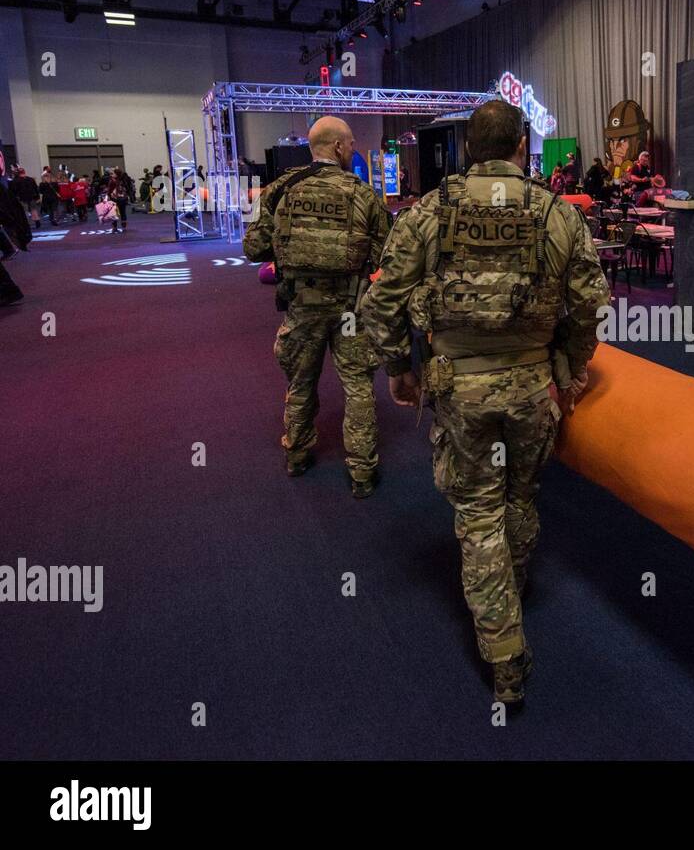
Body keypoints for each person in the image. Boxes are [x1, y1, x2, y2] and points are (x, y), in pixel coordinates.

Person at [360, 100, 608, 705]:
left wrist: (400, 370)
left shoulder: (429, 212)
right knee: (520, 495)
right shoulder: (556, 212)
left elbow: (379, 305)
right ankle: (511, 589)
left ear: (469, 149)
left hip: (458, 393)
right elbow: (588, 303)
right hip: (530, 392)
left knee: (477, 512)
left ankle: (503, 653)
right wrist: (572, 368)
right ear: (522, 147)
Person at [243, 116, 391, 499]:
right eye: (352, 144)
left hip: (303, 308)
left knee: (301, 382)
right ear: (339, 148)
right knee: (357, 386)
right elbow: (383, 255)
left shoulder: (279, 190)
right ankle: (362, 471)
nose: (354, 150)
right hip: (349, 310)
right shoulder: (364, 193)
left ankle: (297, 454)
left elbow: (252, 248)